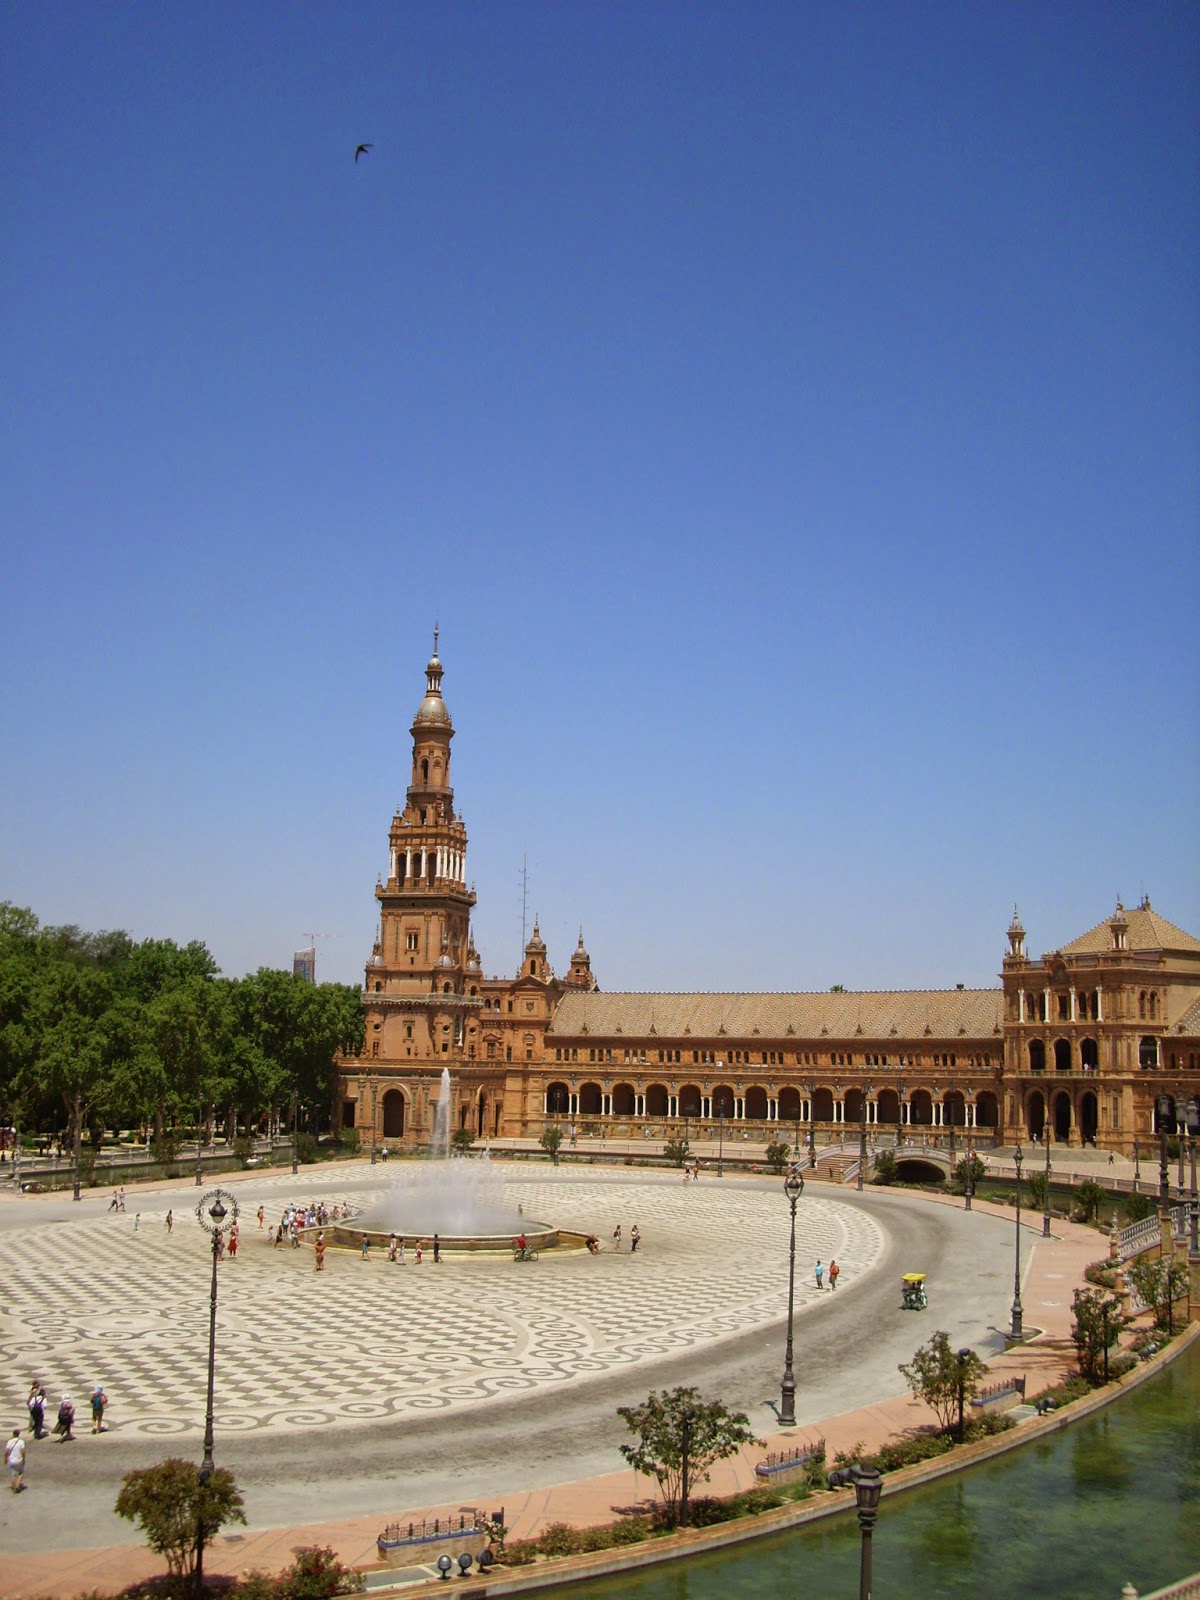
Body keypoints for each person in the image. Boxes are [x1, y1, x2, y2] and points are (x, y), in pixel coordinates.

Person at [6, 1428, 25, 1493]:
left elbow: (7, 1452)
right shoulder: (21, 1442)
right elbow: (23, 1452)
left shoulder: (9, 1441)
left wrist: (6, 1459)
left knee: (13, 1474)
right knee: (20, 1473)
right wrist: (24, 1459)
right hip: (19, 1460)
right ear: (18, 1434)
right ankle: (17, 1486)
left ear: (13, 1434)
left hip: (11, 1460)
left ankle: (13, 1486)